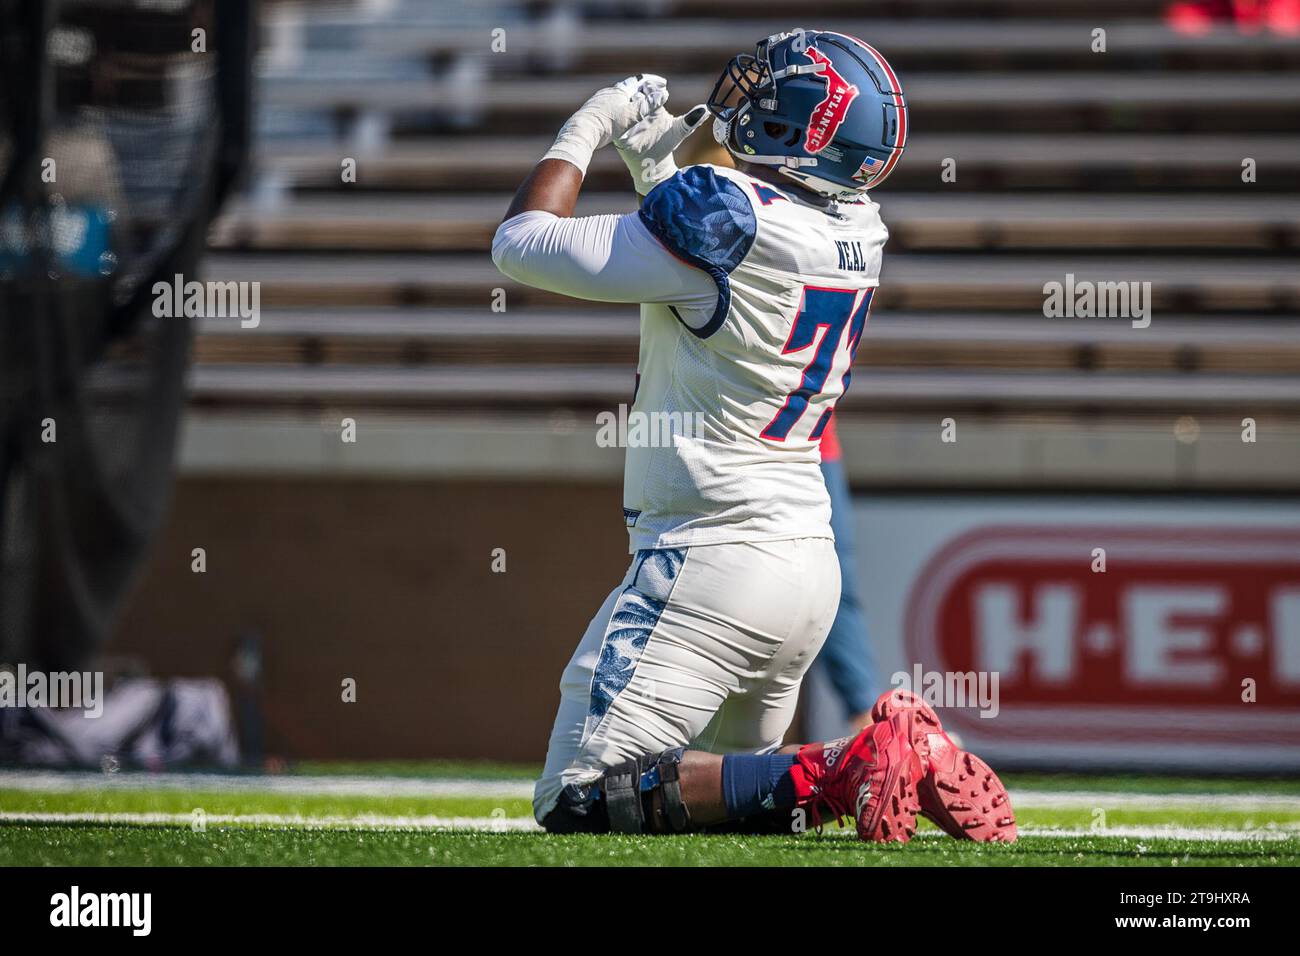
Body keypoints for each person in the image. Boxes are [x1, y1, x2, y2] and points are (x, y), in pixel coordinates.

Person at [491, 30, 1015, 842]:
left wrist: (589, 125)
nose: (739, 104)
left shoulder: (727, 220)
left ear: (804, 126)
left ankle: (848, 760)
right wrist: (659, 163)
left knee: (581, 796)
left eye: (762, 97)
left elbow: (521, 246)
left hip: (711, 560)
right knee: (726, 810)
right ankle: (865, 761)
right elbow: (709, 243)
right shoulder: (857, 228)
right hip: (803, 563)